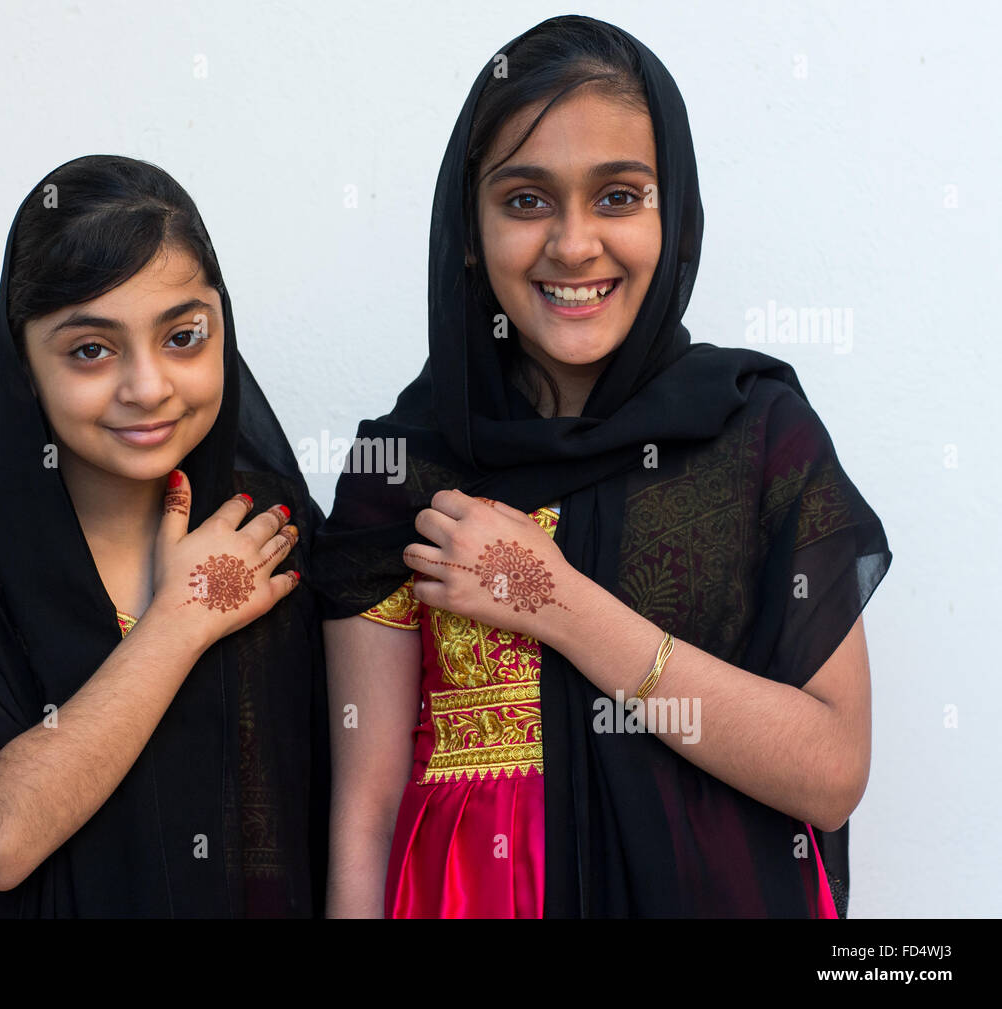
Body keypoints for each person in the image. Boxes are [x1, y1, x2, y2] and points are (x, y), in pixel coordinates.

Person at [313, 15, 891, 918]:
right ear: (468, 227)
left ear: (676, 210)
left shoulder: (758, 436)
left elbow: (830, 771)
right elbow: (367, 810)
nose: (574, 245)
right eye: (526, 200)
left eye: (619, 196)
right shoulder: (402, 470)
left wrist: (557, 602)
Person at [0, 155, 329, 917]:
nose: (148, 386)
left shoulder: (269, 528)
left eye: (183, 336)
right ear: (24, 364)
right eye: (90, 349)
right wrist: (180, 621)